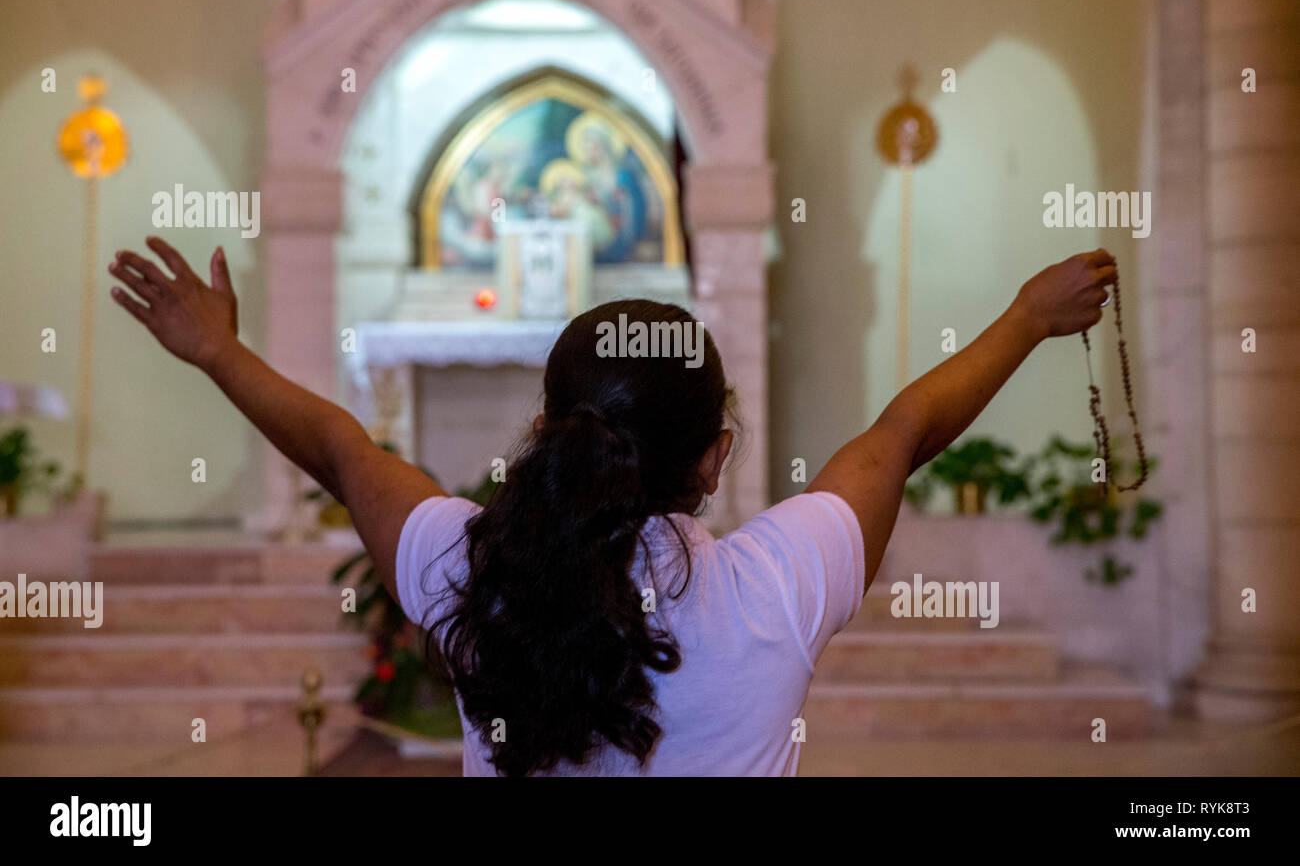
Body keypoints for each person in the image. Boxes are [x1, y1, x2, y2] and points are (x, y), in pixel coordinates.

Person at [108, 237, 1117, 776]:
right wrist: (1026, 318)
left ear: (544, 423)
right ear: (716, 456)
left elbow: (340, 445)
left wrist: (221, 352)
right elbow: (904, 431)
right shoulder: (779, 583)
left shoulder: (460, 563)